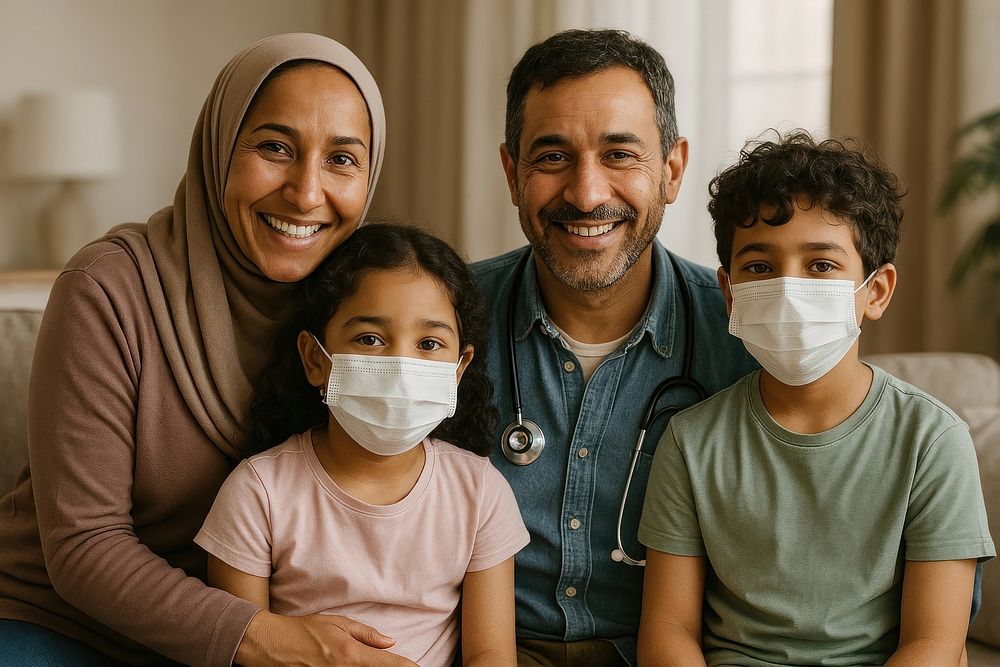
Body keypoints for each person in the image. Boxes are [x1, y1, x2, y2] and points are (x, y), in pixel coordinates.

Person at [0, 32, 424, 666]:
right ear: (220, 148)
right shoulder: (108, 290)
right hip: (64, 623)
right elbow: (84, 547)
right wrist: (267, 639)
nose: (307, 193)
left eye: (342, 159)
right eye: (275, 148)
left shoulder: (366, 314)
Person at [637, 131, 996, 665]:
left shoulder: (931, 442)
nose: (787, 288)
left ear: (875, 291)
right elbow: (667, 632)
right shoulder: (691, 442)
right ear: (729, 292)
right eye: (759, 266)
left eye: (821, 265)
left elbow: (935, 643)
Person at [470, 28, 758, 666]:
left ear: (673, 169)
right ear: (512, 173)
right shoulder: (443, 320)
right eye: (552, 157)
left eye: (620, 154)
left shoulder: (748, 340)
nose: (586, 193)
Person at [195, 223, 529, 666]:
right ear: (316, 359)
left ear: (458, 368)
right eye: (370, 339)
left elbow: (491, 655)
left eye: (429, 343)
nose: (400, 366)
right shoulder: (259, 491)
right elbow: (243, 648)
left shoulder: (480, 492)